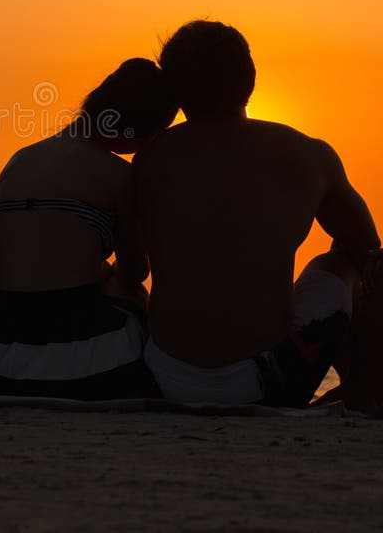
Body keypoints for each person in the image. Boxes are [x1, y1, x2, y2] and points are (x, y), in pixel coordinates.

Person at [136, 20, 382, 409]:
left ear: (175, 90)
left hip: (164, 379)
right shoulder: (308, 154)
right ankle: (364, 385)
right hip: (269, 382)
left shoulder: (150, 157)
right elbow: (367, 246)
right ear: (250, 78)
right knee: (343, 263)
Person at [0, 59, 177, 399]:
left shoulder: (18, 159)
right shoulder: (117, 174)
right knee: (132, 293)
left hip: (0, 344)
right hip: (79, 353)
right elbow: (136, 271)